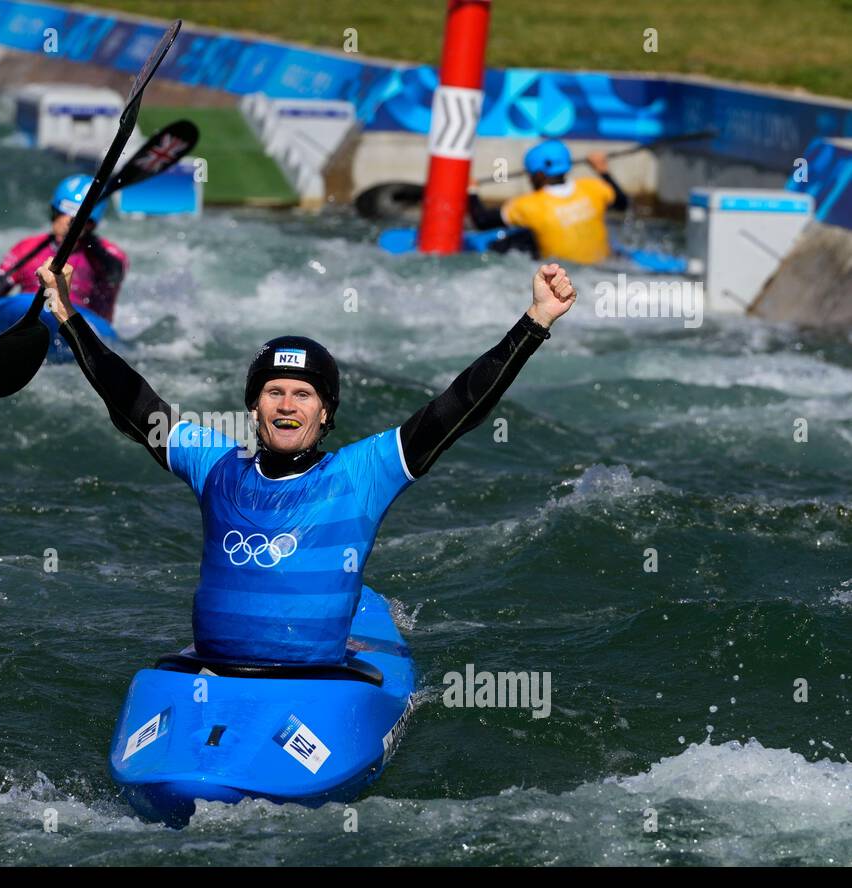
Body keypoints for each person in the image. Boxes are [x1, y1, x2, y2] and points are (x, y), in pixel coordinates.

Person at [31, 258, 576, 665]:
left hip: (316, 687)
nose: (287, 405)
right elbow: (135, 406)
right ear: (253, 406)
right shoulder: (217, 462)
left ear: (325, 412)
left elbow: (456, 408)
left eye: (303, 394)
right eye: (274, 392)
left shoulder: (362, 473)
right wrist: (67, 317)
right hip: (214, 675)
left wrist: (534, 323)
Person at [0, 174, 128, 329]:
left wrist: (89, 242)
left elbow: (114, 274)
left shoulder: (109, 254)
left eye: (79, 221)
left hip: (85, 322)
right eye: (63, 216)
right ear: (53, 213)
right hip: (29, 312)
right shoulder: (27, 247)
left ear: (92, 224)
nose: (67, 225)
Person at [467, 139, 630, 265]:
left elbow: (481, 221)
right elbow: (622, 203)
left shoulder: (528, 206)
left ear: (537, 175)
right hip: (602, 264)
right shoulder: (592, 188)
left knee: (513, 240)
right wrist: (602, 170)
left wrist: (471, 190)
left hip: (560, 272)